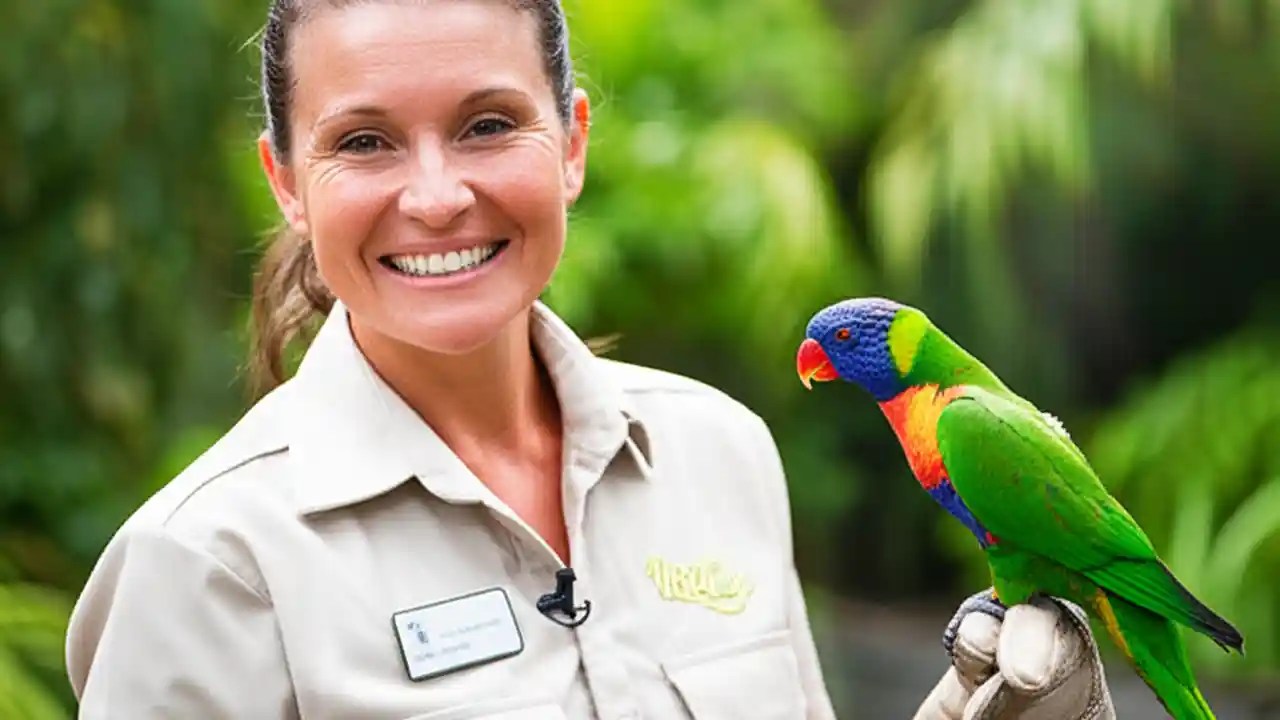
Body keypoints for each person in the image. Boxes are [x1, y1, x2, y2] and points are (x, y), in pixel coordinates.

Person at [63, 0, 1117, 717]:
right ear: (287, 181)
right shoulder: (206, 564)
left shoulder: (720, 454)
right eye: (364, 142)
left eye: (485, 124)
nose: (434, 196)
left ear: (569, 144)